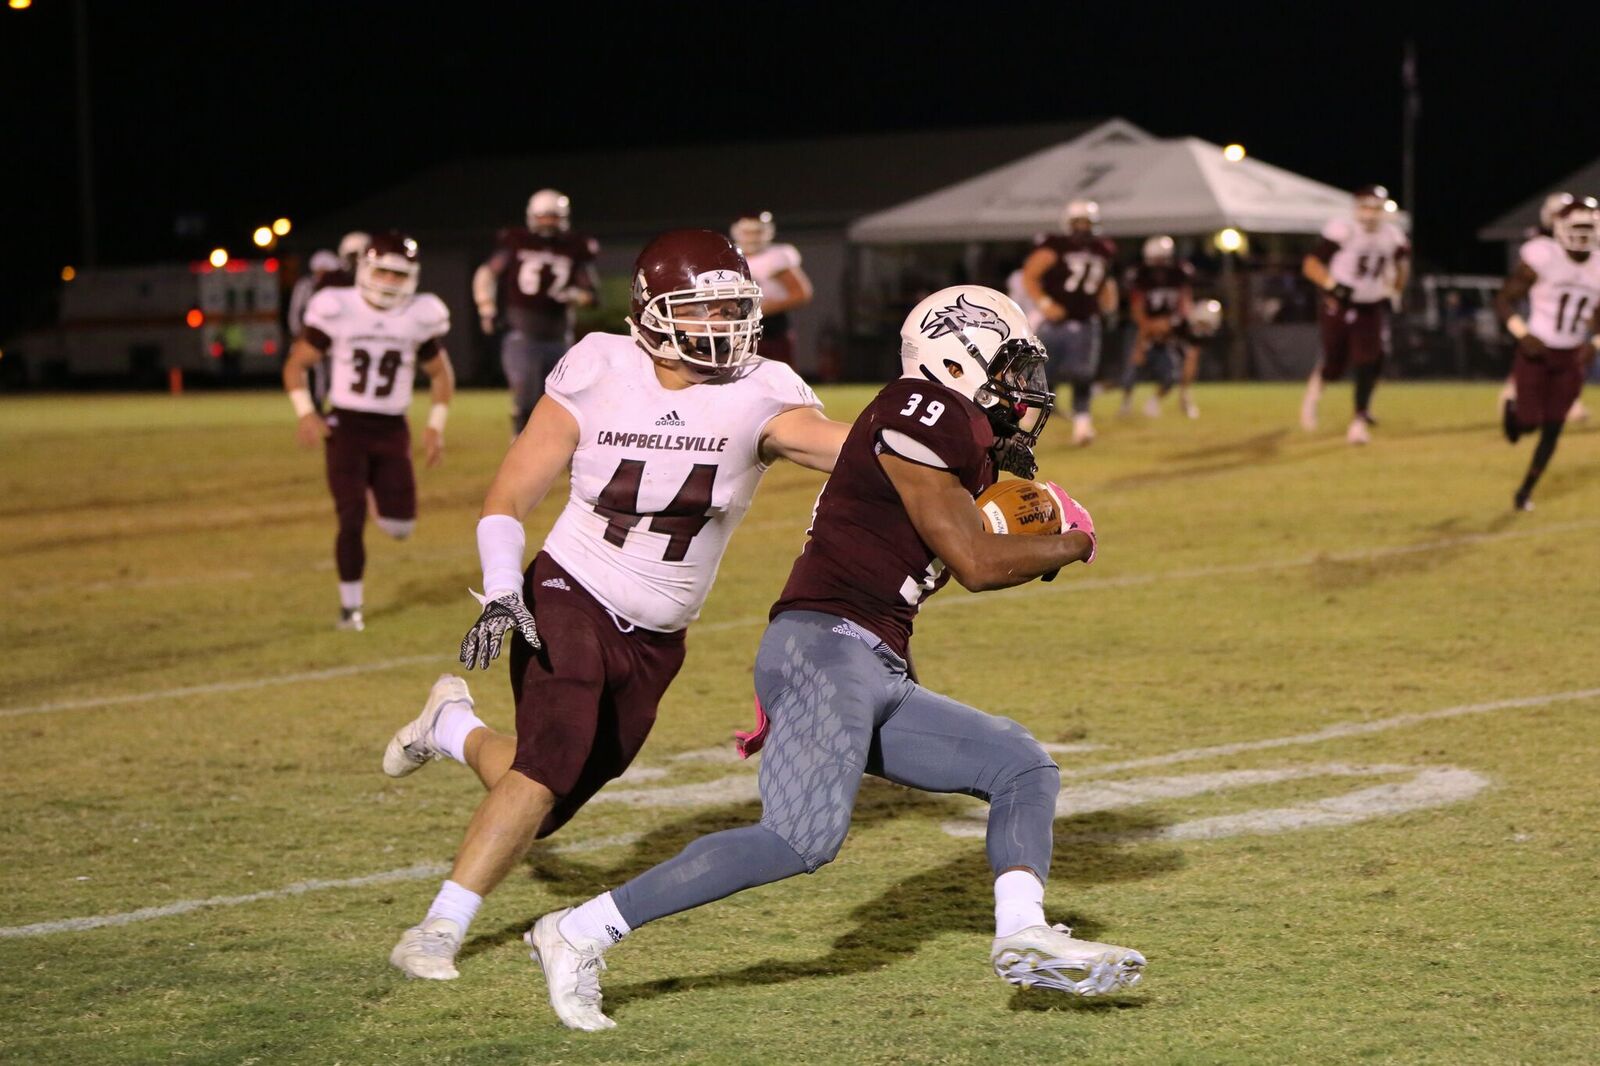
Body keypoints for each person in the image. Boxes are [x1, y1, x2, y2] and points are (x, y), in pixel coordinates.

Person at [525, 285, 1145, 1031]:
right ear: (957, 359)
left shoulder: (964, 445)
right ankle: (579, 930)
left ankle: (1023, 933)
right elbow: (976, 563)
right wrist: (1072, 542)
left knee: (1022, 766)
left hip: (867, 662)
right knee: (799, 838)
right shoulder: (922, 405)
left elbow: (946, 552)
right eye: (1011, 367)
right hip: (826, 648)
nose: (1024, 388)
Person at [382, 230, 851, 983]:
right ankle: (437, 928)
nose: (725, 323)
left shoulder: (762, 388)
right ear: (652, 313)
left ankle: (452, 726)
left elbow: (847, 447)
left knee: (544, 798)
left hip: (659, 635)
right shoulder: (599, 366)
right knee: (549, 760)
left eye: (734, 307)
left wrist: (942, 436)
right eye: (704, 308)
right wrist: (503, 588)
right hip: (568, 589)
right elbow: (509, 493)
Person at [281, 232, 454, 631]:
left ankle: (375, 493)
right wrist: (306, 413)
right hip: (346, 426)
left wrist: (435, 426)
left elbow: (441, 375)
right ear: (364, 270)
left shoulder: (418, 315)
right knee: (350, 517)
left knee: (400, 528)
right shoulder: (339, 308)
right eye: (383, 272)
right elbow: (296, 365)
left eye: (399, 274)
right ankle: (350, 609)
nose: (390, 282)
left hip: (392, 428)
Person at [1494, 197, 1600, 511]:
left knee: (1553, 428)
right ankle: (1513, 411)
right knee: (1528, 424)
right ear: (1560, 227)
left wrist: (1595, 343)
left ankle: (1524, 492)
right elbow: (1504, 300)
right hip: (1537, 352)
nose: (1581, 234)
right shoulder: (1543, 256)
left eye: (1587, 227)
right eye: (1576, 227)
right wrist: (1522, 333)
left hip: (1571, 358)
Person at [474, 189, 601, 435]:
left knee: (561, 401)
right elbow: (486, 273)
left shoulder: (574, 247)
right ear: (532, 216)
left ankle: (557, 448)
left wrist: (575, 295)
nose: (548, 222)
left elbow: (592, 295)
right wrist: (485, 306)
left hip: (559, 336)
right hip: (523, 334)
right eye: (543, 217)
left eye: (553, 217)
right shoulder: (516, 241)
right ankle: (519, 443)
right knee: (526, 399)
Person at [1299, 185, 1410, 443]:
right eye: (1366, 206)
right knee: (1334, 365)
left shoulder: (1392, 236)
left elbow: (1402, 267)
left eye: (1375, 207)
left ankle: (1359, 419)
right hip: (1339, 304)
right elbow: (1310, 264)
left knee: (1368, 361)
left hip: (1370, 305)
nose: (1370, 213)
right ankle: (1313, 397)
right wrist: (1332, 285)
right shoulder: (1344, 230)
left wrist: (1395, 290)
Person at [1021, 200, 1117, 444]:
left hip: (1086, 320)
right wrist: (1045, 304)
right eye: (1078, 222)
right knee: (1043, 374)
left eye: (1087, 222)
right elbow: (1030, 275)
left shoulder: (1102, 249)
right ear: (1069, 223)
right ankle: (1027, 420)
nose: (1083, 227)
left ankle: (1082, 426)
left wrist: (1108, 302)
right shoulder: (1055, 245)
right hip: (1056, 322)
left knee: (1083, 375)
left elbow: (1104, 281)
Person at [1501, 191, 1588, 422]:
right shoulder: (1540, 245)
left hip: (1569, 306)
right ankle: (1517, 394)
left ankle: (1562, 400)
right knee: (1536, 352)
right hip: (1542, 305)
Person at [1117, 236, 1198, 418]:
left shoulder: (1179, 273)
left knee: (1175, 370)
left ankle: (1178, 399)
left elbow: (1185, 301)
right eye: (1155, 260)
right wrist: (1147, 329)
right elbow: (1137, 307)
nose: (1158, 265)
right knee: (1133, 368)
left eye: (1161, 259)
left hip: (1172, 327)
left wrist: (1173, 322)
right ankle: (1126, 403)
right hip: (1144, 328)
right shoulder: (1140, 275)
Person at [731, 211, 813, 365]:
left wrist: (763, 308)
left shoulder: (776, 256)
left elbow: (802, 294)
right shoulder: (731, 256)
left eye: (757, 232)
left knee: (779, 372)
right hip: (739, 328)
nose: (752, 237)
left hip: (772, 328)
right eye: (748, 232)